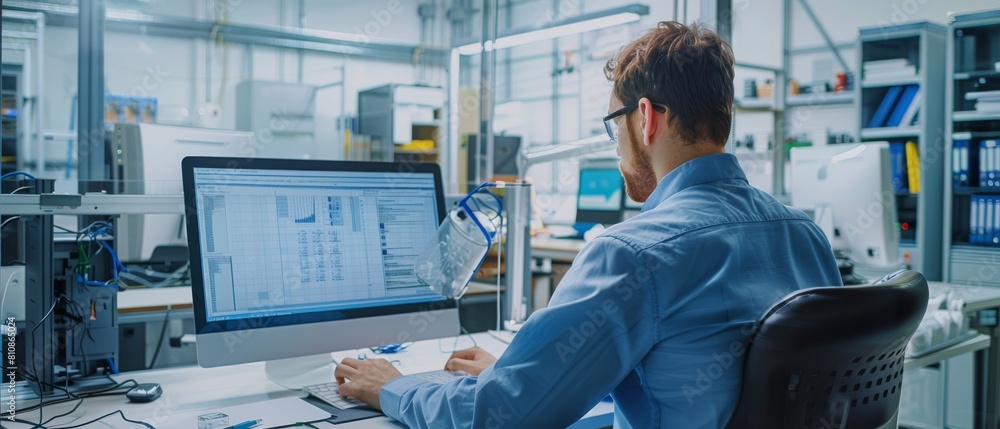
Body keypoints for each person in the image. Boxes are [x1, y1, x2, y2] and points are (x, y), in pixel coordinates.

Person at [334, 21, 842, 428]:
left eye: (613, 124)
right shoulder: (804, 235)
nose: (616, 144)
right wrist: (536, 377)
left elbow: (495, 416)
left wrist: (394, 387)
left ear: (645, 118)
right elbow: (699, 378)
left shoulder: (634, 254)